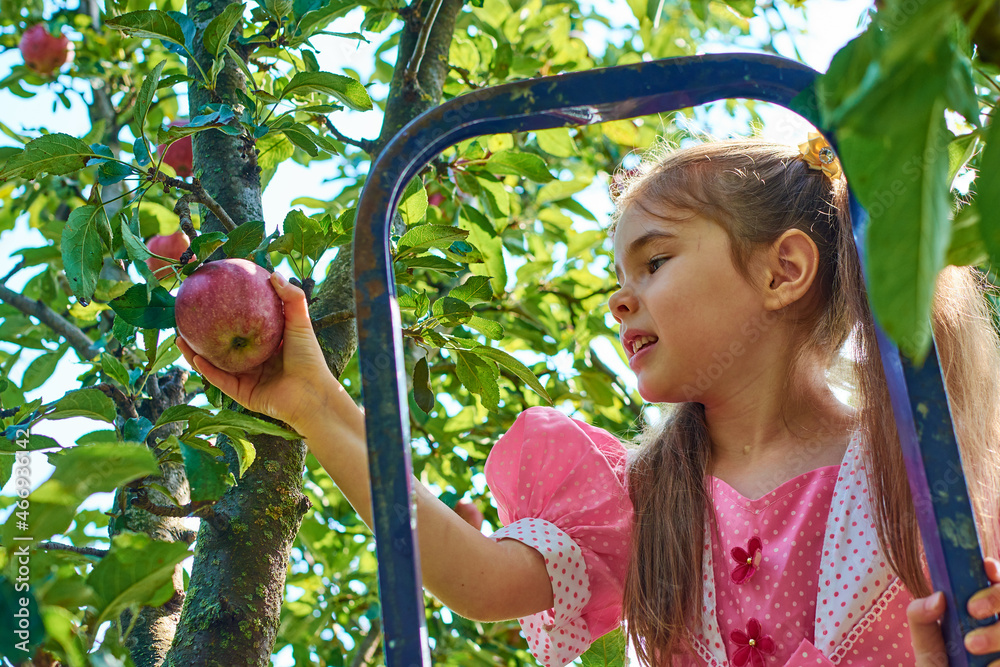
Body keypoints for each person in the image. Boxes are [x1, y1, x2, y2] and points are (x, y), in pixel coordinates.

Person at [176, 135, 1000, 667]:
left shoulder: (916, 472)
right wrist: (316, 401)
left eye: (655, 261)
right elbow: (476, 578)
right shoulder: (646, 494)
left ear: (783, 271)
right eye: (617, 276)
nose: (620, 298)